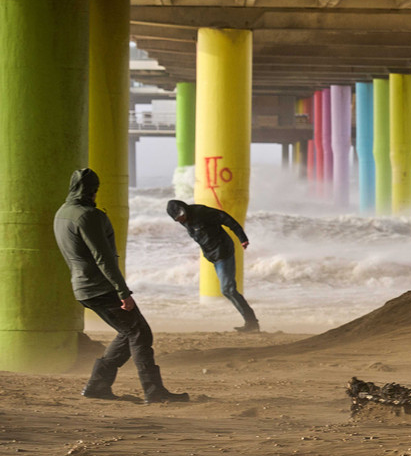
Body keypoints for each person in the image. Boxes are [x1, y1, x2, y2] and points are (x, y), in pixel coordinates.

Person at [53, 168, 189, 404]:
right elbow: (103, 258)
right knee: (139, 332)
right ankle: (154, 392)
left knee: (129, 332)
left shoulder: (62, 212)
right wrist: (123, 292)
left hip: (82, 286)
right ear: (93, 190)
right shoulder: (88, 216)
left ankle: (98, 386)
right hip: (100, 286)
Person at [166, 199, 259, 333]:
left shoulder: (201, 212)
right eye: (178, 218)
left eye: (182, 214)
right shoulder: (183, 220)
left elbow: (227, 219)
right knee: (228, 290)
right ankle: (251, 322)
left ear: (184, 208)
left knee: (228, 289)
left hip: (223, 252)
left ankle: (252, 323)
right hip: (212, 256)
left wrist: (242, 238)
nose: (182, 218)